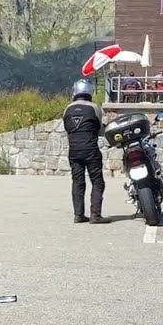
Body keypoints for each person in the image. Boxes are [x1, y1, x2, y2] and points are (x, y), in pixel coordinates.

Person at [61, 78, 108, 223]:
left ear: (74, 92)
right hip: (90, 150)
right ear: (90, 92)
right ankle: (95, 215)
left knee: (78, 182)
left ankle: (78, 215)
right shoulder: (94, 108)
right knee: (97, 182)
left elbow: (67, 128)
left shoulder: (67, 109)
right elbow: (101, 130)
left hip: (74, 151)